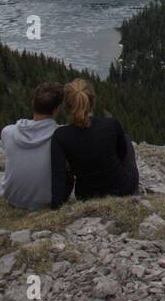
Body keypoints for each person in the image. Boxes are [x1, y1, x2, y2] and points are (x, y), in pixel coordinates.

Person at [49, 78, 140, 209]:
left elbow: (58, 175)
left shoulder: (60, 136)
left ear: (67, 106)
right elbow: (123, 153)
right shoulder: (110, 124)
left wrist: (56, 207)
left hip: (87, 195)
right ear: (92, 101)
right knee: (125, 138)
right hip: (122, 188)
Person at [0, 82, 63, 210]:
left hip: (12, 198)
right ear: (57, 109)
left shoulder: (8, 132)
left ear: (33, 103)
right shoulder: (61, 135)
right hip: (45, 201)